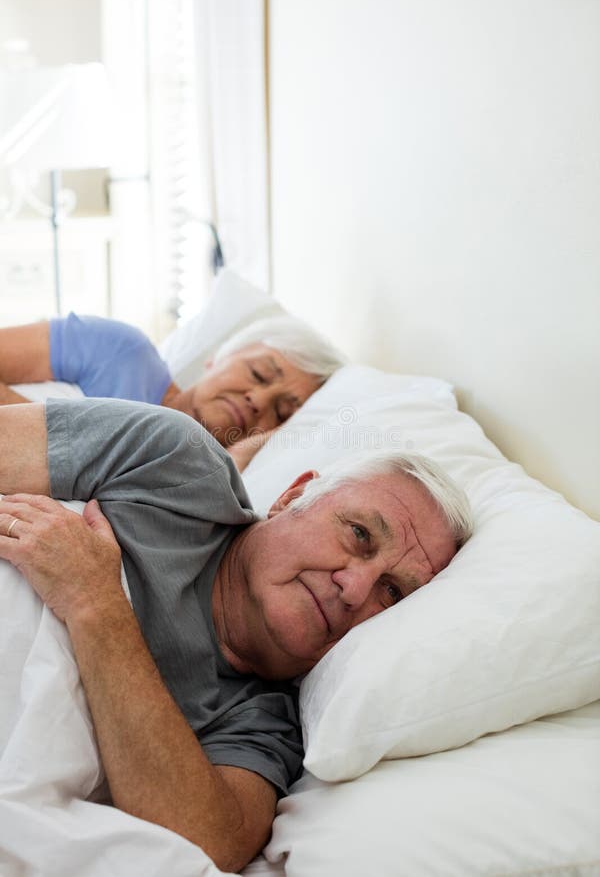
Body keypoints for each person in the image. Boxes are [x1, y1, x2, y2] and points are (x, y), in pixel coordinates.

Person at [0, 398, 472, 872]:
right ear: (293, 496)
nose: (354, 587)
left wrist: (94, 601)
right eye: (359, 534)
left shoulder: (266, 726)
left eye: (391, 592)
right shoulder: (175, 460)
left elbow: (203, 846)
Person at [0, 312, 345, 470]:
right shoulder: (122, 352)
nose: (258, 399)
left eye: (282, 413)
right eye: (258, 373)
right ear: (218, 358)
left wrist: (236, 462)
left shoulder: (208, 483)